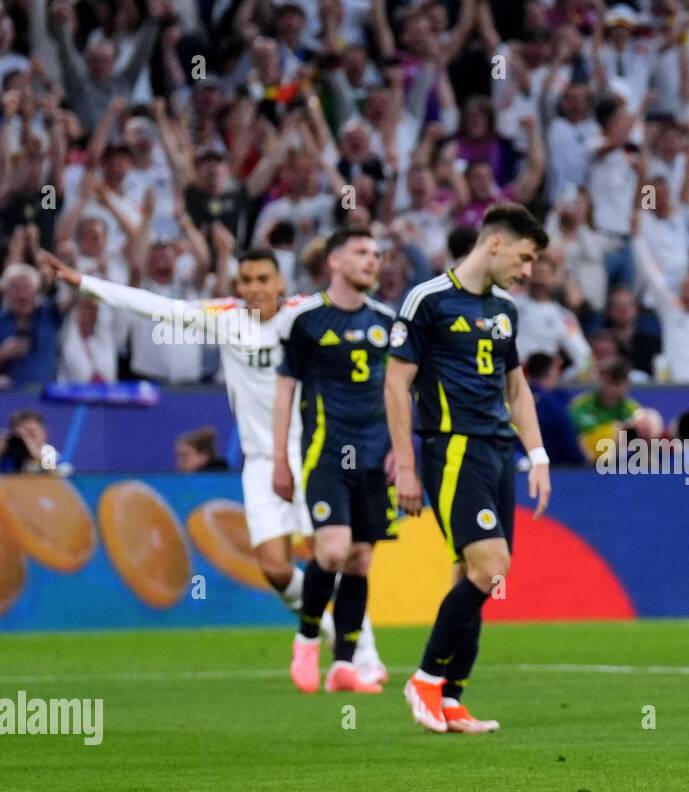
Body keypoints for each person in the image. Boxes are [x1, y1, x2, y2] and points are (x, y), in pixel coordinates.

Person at [40, 247, 387, 681]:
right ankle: (333, 629)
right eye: (247, 280)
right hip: (262, 462)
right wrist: (83, 283)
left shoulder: (306, 317)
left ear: (281, 283)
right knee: (277, 569)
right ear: (237, 286)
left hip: (315, 454)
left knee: (336, 555)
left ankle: (364, 656)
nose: (256, 288)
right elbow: (156, 307)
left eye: (264, 279)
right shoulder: (225, 317)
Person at [385, 202, 552, 735]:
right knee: (491, 567)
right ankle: (426, 679)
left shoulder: (505, 310)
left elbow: (517, 388)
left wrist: (539, 455)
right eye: (525, 258)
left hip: (498, 451)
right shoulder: (428, 300)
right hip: (452, 448)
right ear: (495, 243)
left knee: (473, 574)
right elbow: (395, 384)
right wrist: (406, 466)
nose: (528, 272)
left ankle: (452, 697)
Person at [272, 227, 396, 695]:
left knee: (361, 561)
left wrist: (402, 455)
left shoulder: (387, 321)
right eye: (362, 252)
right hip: (326, 454)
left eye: (377, 254)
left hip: (373, 457)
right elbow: (284, 393)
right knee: (332, 551)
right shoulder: (306, 320)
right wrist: (280, 460)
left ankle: (343, 664)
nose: (372, 260)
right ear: (335, 262)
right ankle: (306, 638)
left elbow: (399, 392)